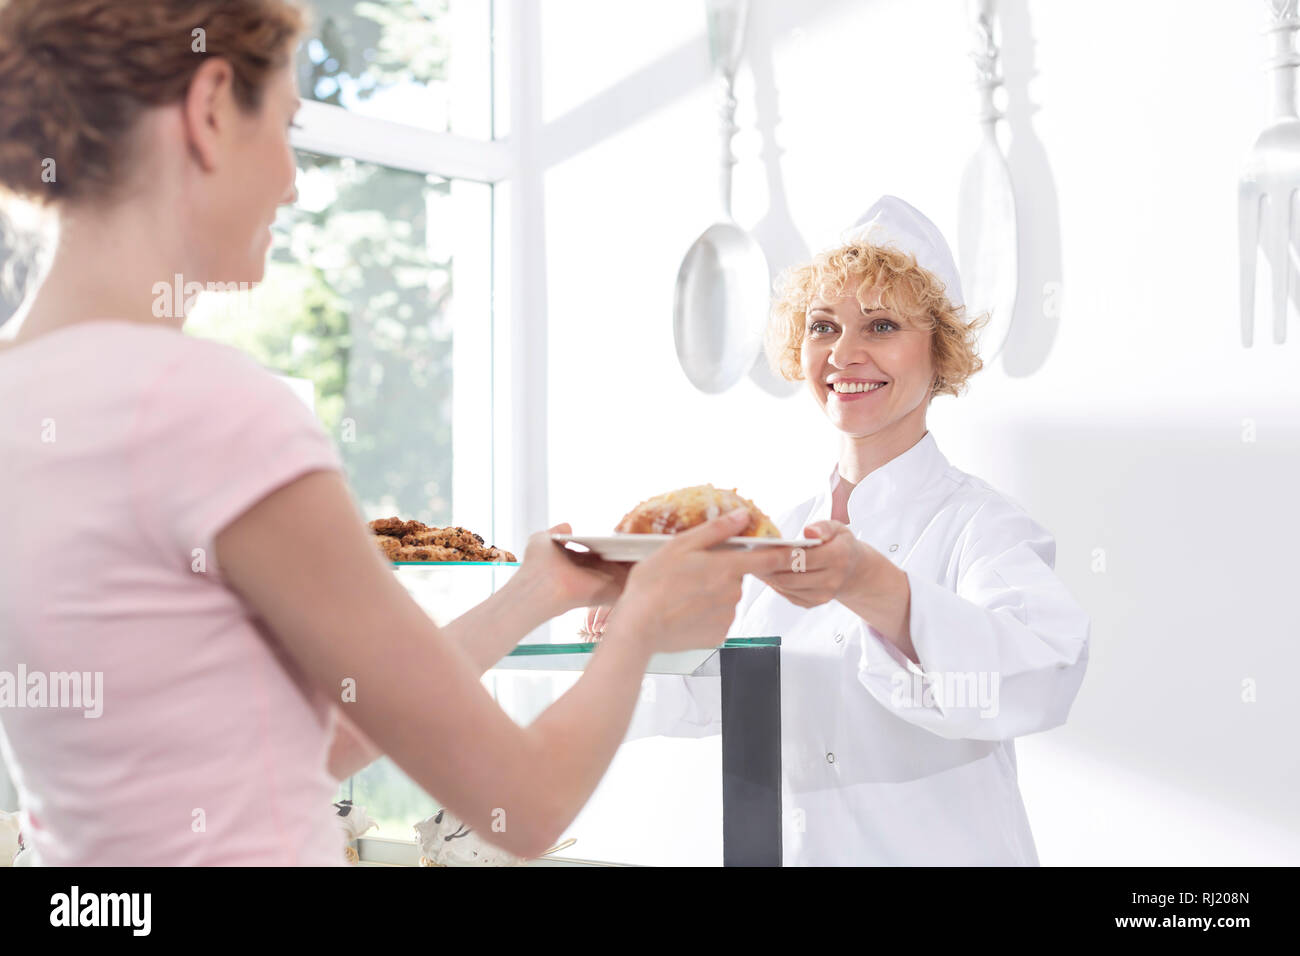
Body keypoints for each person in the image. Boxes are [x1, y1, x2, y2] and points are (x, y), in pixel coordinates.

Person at [0, 0, 791, 865]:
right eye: (290, 128)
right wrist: (643, 618)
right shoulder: (206, 408)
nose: (293, 181)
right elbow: (524, 807)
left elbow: (287, 747)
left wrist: (536, 594)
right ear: (213, 106)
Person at [590, 196, 1091, 865]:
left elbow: (1038, 675)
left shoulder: (982, 527)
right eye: (823, 326)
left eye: (881, 325)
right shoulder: (776, 535)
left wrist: (878, 588)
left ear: (939, 353)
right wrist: (636, 628)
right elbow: (705, 693)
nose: (843, 354)